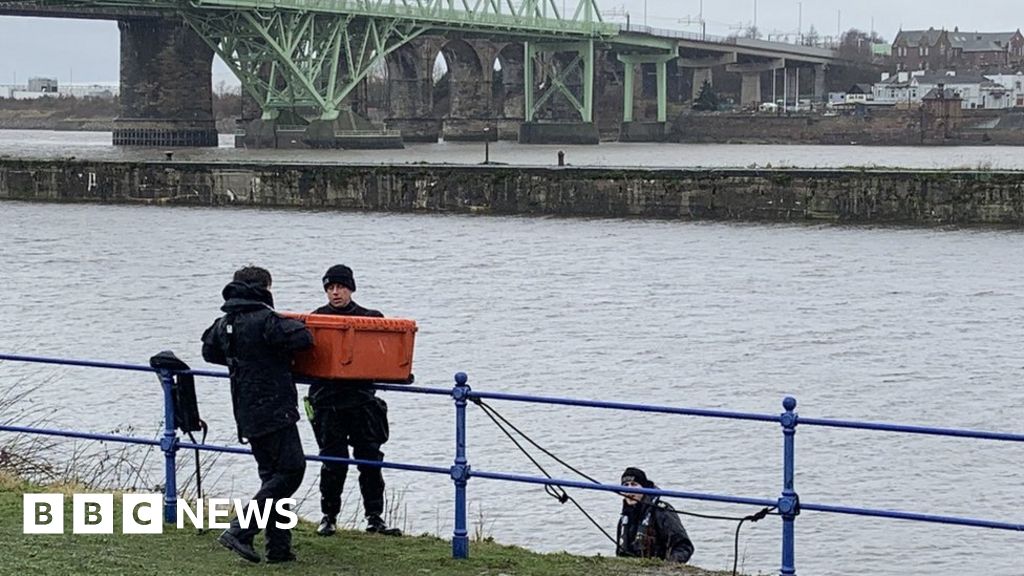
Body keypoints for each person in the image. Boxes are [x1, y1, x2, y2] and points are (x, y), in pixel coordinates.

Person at [201, 266, 314, 564]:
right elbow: (304, 338)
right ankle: (240, 530)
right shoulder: (266, 321)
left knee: (272, 478)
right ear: (264, 288)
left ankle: (278, 548)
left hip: (245, 409)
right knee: (292, 471)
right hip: (275, 408)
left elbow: (209, 351)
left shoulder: (225, 322)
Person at [308, 264, 401, 537]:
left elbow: (384, 359)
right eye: (330, 288)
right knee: (332, 462)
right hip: (327, 402)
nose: (335, 292)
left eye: (340, 287)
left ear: (351, 288)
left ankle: (374, 517)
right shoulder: (316, 319)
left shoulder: (372, 318)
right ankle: (329, 516)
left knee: (371, 461)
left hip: (362, 401)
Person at [616, 467, 695, 564]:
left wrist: (668, 567)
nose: (629, 489)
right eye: (625, 485)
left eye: (634, 484)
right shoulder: (624, 518)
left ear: (644, 488)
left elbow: (684, 546)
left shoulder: (662, 511)